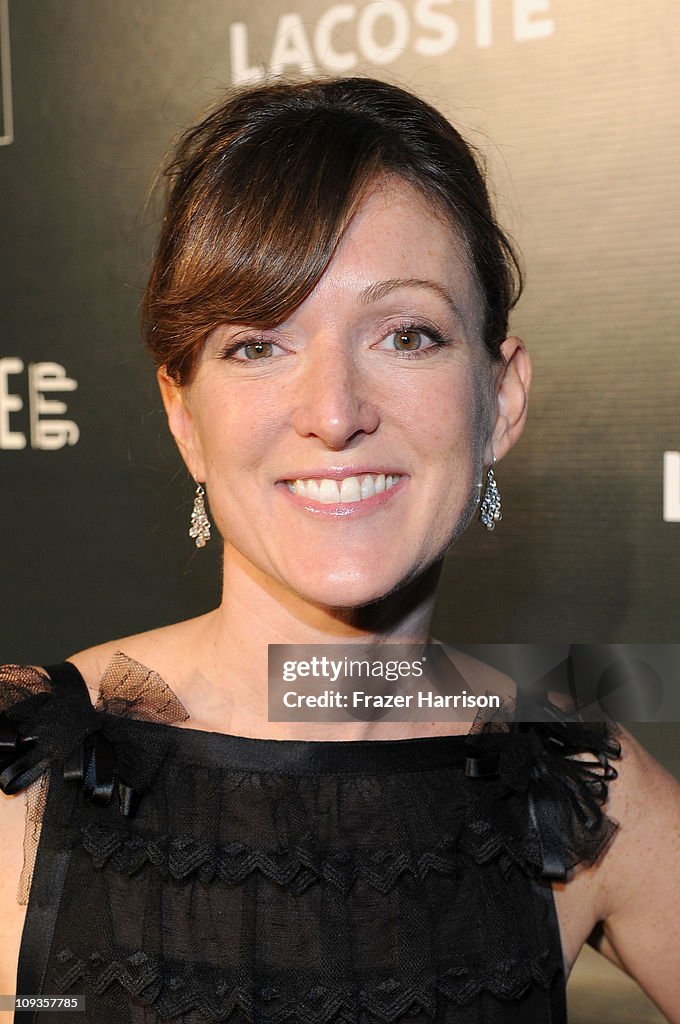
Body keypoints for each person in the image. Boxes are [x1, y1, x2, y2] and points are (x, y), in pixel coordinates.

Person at [1, 77, 679, 1024]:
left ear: (502, 400)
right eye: (257, 345)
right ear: (183, 417)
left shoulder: (580, 789)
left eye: (407, 335)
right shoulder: (18, 777)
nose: (334, 413)